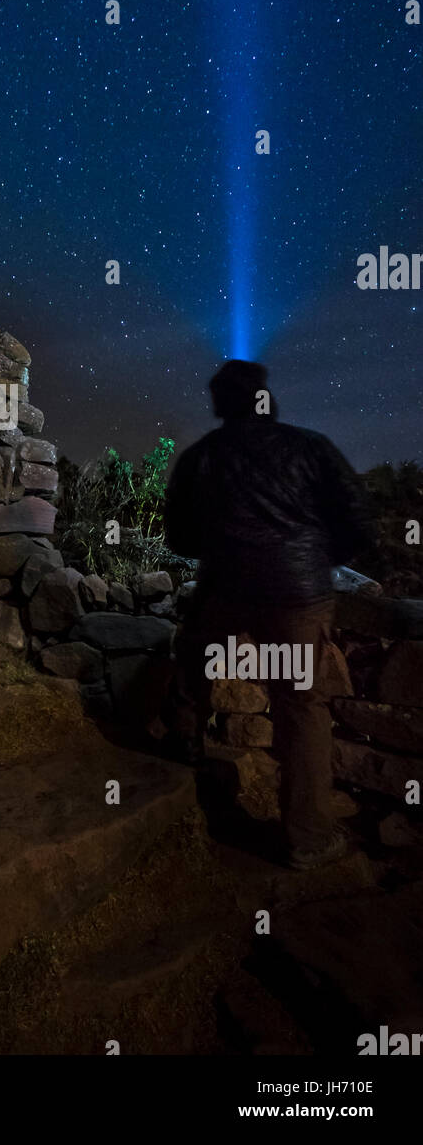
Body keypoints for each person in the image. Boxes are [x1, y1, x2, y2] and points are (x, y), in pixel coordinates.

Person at [163, 360, 374, 870]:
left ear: (220, 405)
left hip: (225, 589)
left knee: (195, 668)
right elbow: (358, 519)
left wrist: (225, 546)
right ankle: (308, 837)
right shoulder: (311, 446)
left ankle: (181, 761)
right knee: (301, 707)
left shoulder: (201, 458)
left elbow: (179, 537)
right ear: (266, 398)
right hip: (298, 595)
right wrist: (318, 557)